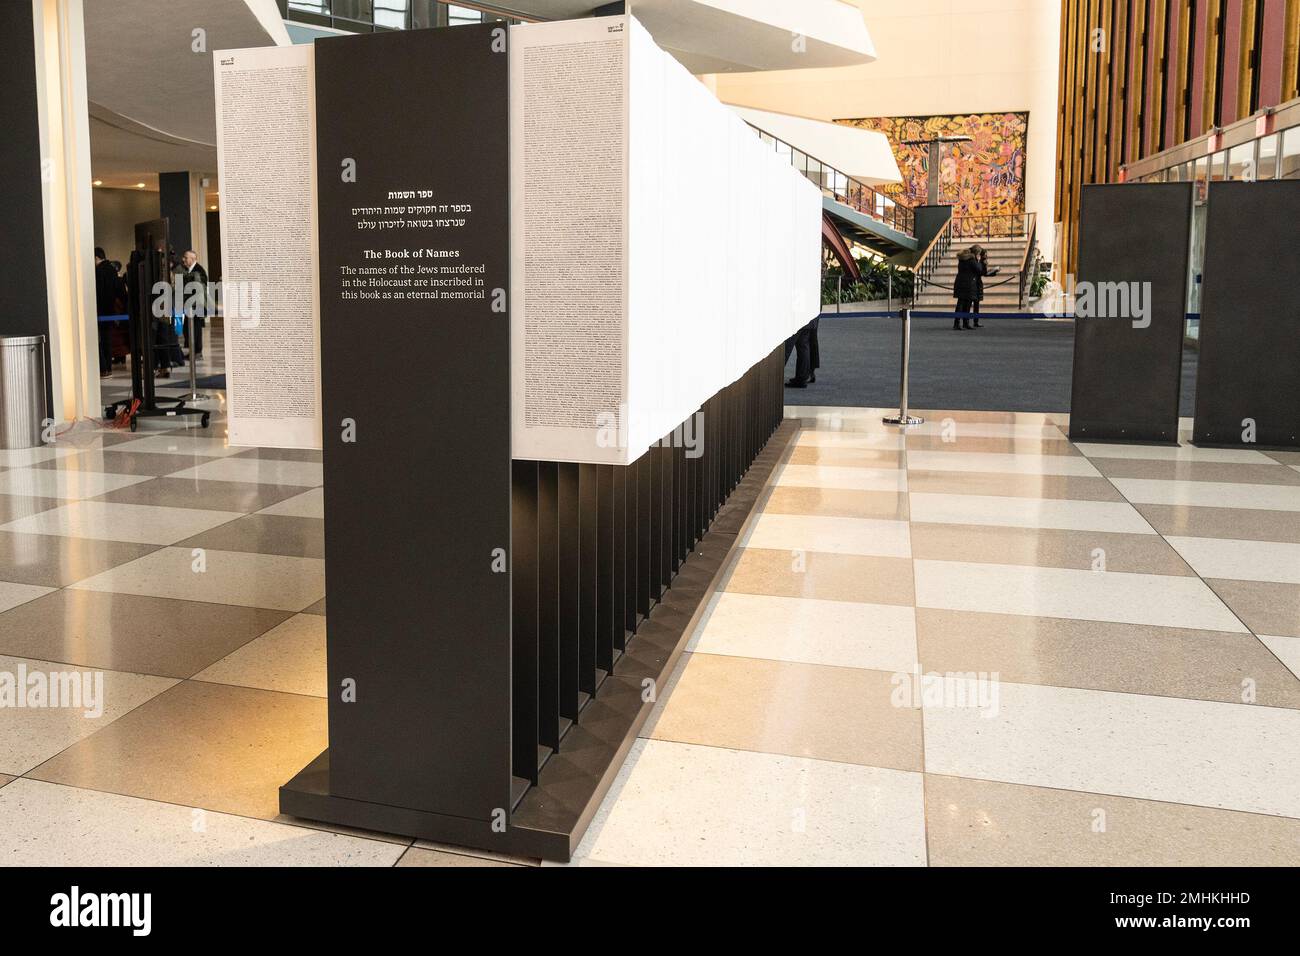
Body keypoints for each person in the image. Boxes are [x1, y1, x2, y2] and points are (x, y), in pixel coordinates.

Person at [93, 247, 125, 376]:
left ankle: (103, 367)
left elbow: (97, 292)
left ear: (96, 258)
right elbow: (120, 291)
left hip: (99, 309)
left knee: (98, 339)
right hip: (111, 309)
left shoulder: (97, 271)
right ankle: (108, 367)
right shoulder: (113, 270)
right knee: (107, 338)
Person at [180, 249, 208, 358]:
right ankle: (194, 351)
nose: (184, 259)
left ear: (192, 259)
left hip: (197, 305)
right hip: (191, 305)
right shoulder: (189, 270)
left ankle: (197, 352)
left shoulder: (199, 270)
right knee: (190, 328)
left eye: (186, 257)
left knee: (196, 329)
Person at [952, 244, 987, 330]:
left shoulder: (963, 258)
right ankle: (964, 323)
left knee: (960, 304)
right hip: (968, 284)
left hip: (960, 283)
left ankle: (958, 323)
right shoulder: (972, 260)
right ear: (976, 253)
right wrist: (979, 261)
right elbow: (979, 270)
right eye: (978, 254)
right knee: (966, 304)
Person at [972, 246, 999, 328]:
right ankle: (965, 322)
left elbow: (983, 273)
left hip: (977, 283)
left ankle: (975, 321)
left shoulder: (980, 262)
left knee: (976, 304)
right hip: (974, 284)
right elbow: (982, 273)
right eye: (985, 255)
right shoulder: (977, 262)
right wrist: (985, 265)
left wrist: (994, 272)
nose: (987, 256)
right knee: (968, 304)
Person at [784, 319, 815, 388]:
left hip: (796, 321)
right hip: (808, 321)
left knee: (785, 349)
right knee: (803, 349)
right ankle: (802, 379)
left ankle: (774, 377)